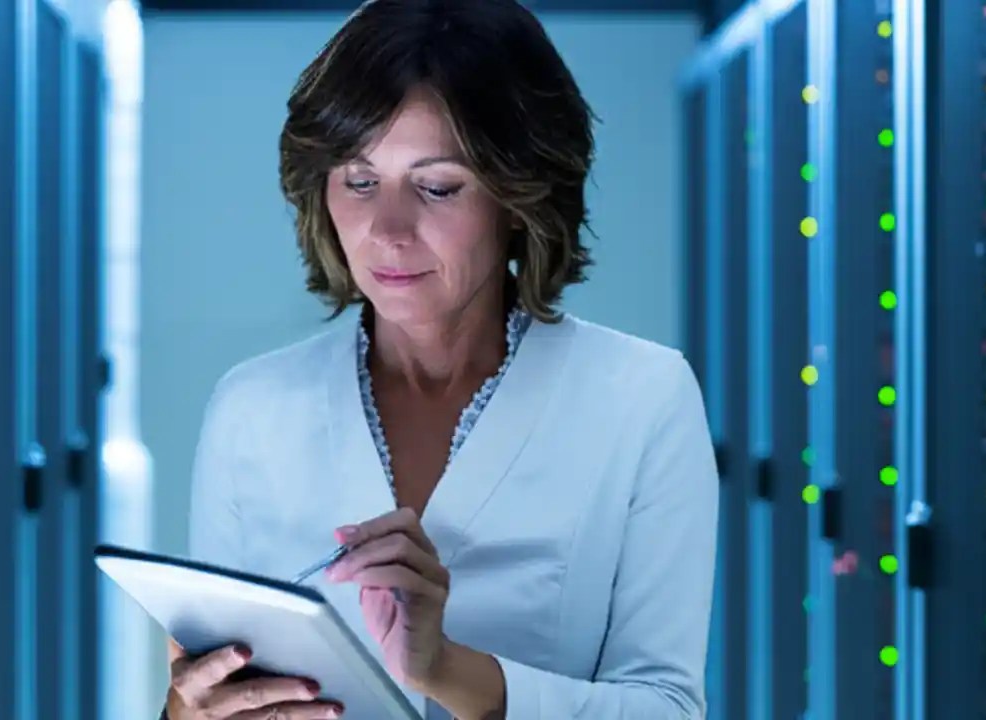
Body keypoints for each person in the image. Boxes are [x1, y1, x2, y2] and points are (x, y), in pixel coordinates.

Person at [163, 0, 719, 718]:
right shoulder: (251, 408)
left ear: (519, 197)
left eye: (437, 187)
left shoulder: (643, 399)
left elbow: (667, 706)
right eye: (360, 181)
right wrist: (188, 710)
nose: (389, 231)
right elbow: (210, 689)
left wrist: (445, 669)